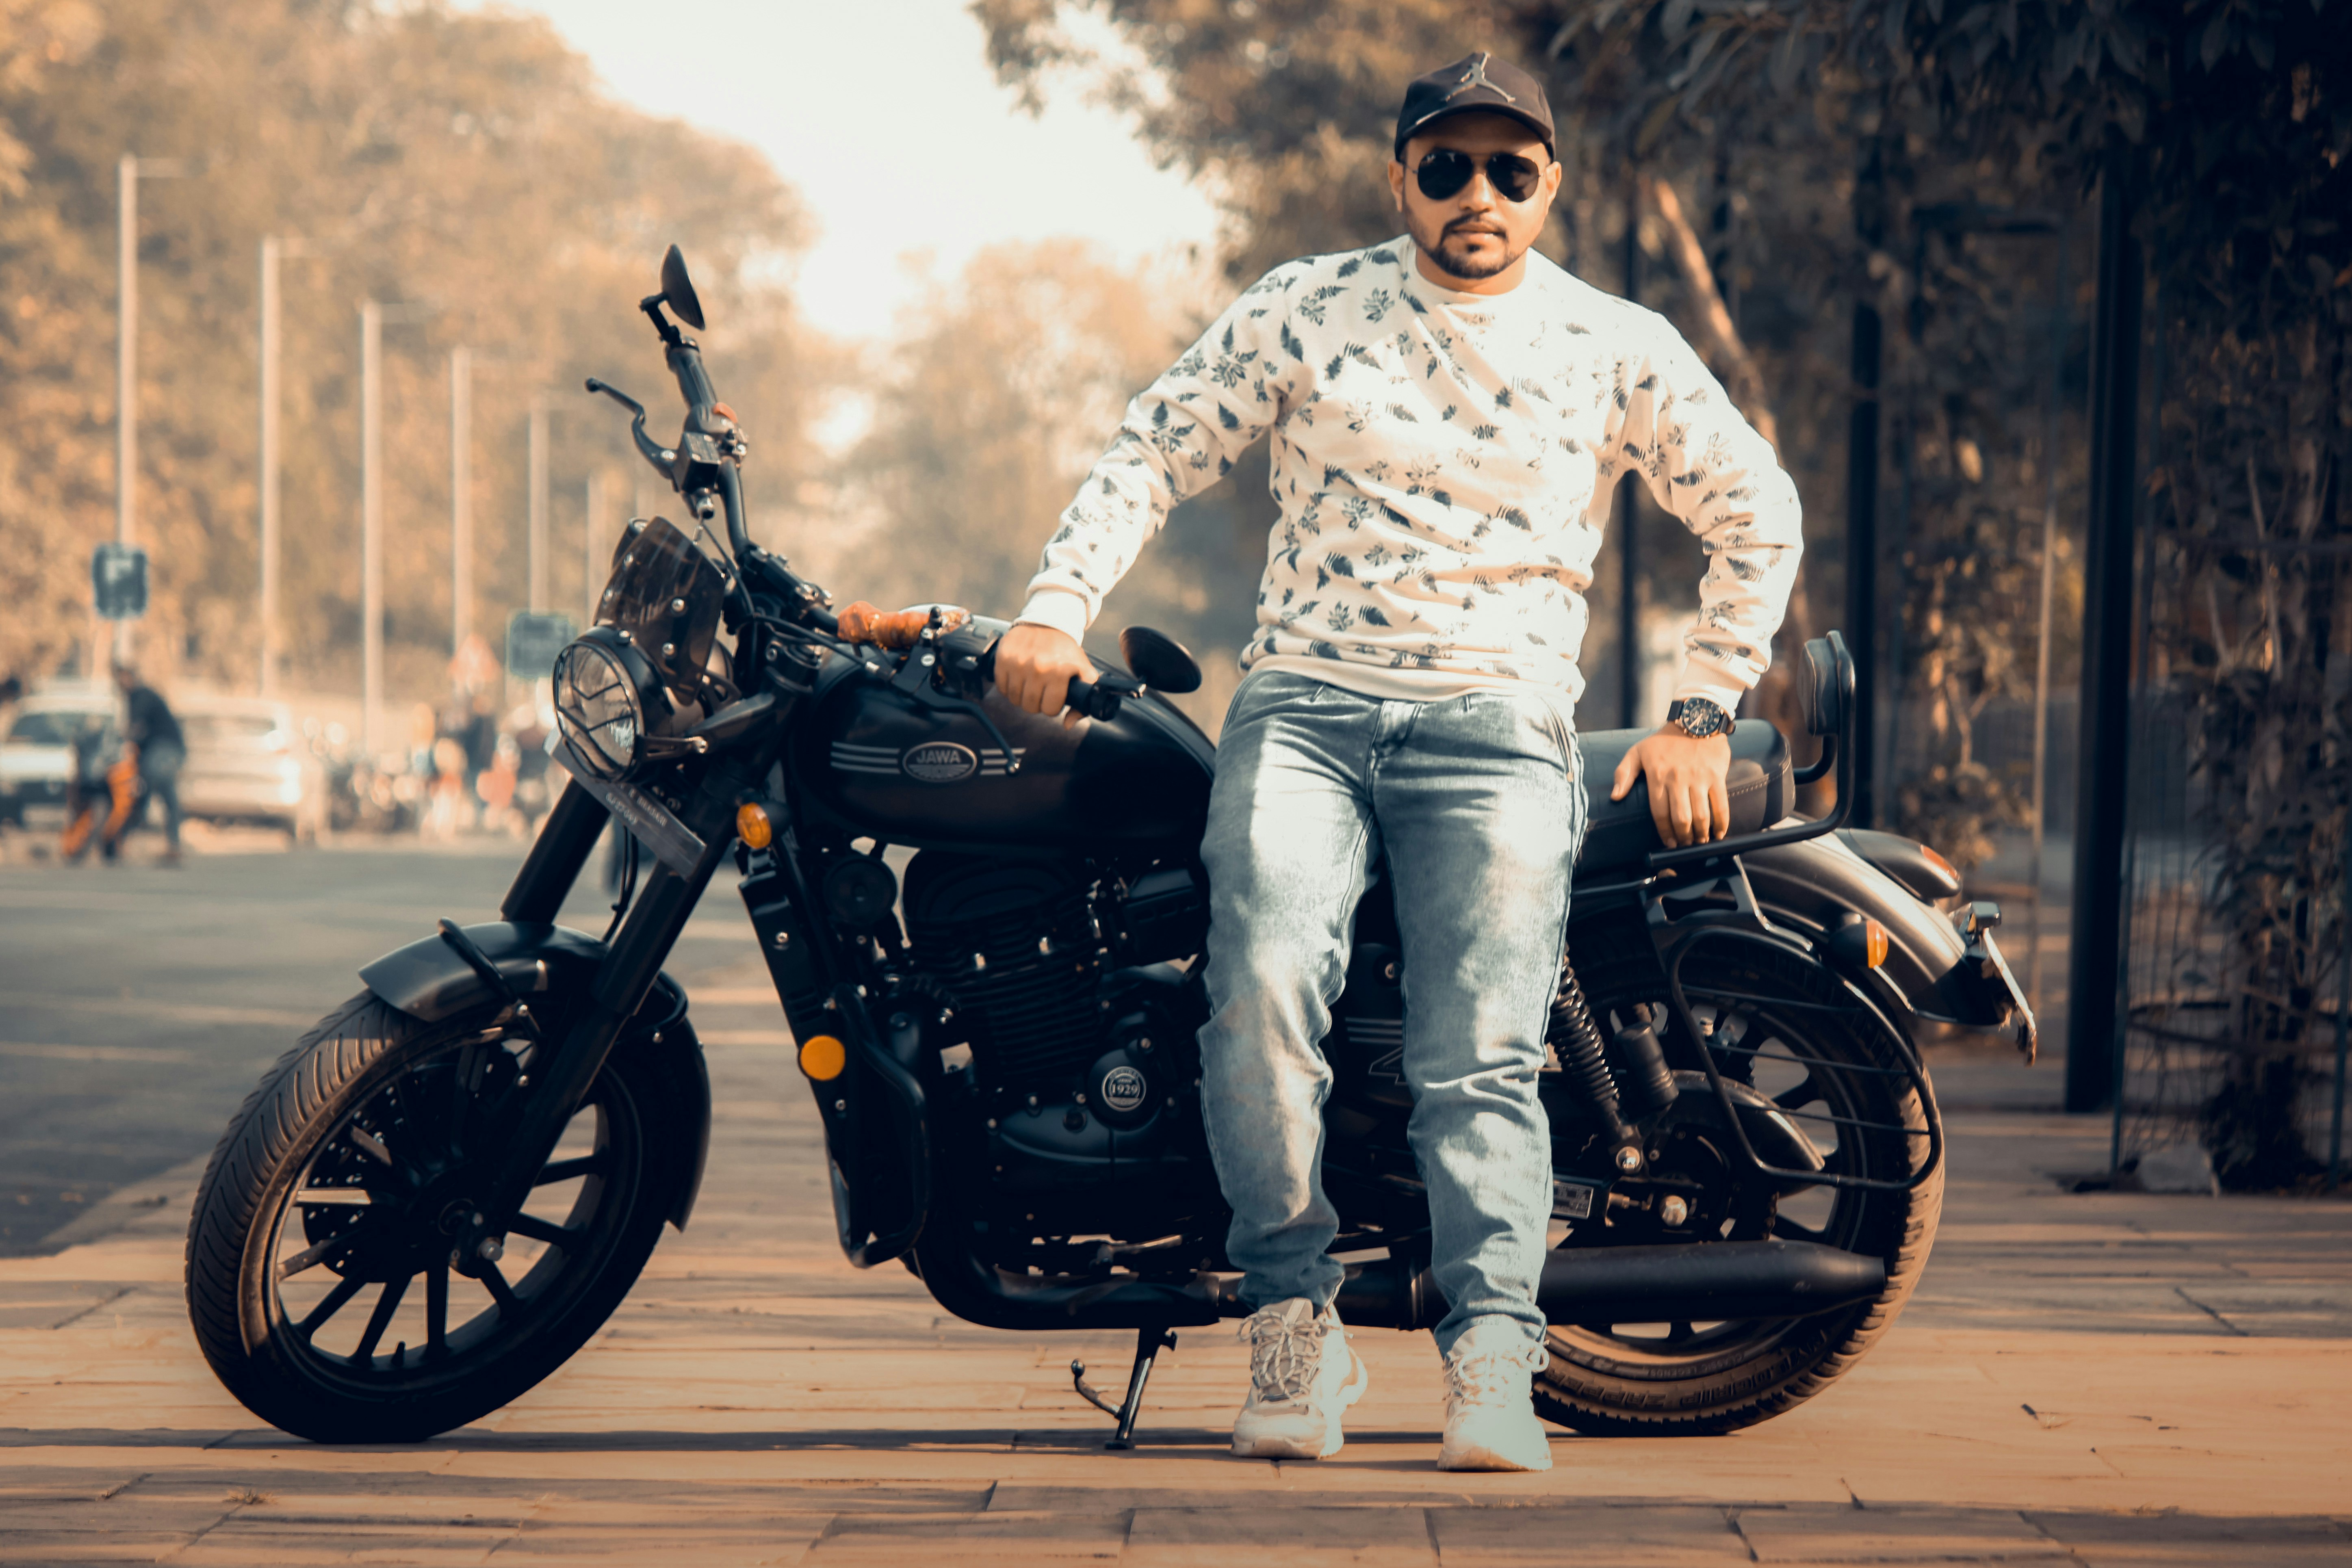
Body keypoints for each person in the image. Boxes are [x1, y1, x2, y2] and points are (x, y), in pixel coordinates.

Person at [993, 52, 1802, 1472]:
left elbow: (1753, 509)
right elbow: (1152, 448)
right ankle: (1290, 1330)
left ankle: (1491, 1357)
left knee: (1477, 1052)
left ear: (1548, 184)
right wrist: (1054, 603)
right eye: (1444, 166)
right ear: (1398, 179)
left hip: (1495, 727)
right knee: (1249, 999)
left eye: (1506, 167)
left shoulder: (1611, 342)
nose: (1474, 193)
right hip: (1303, 711)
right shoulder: (1305, 306)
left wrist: (1699, 707)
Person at [115, 663, 184, 864]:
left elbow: (134, 728)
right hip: (155, 752)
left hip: (165, 749)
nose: (120, 684)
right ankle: (123, 842)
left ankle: (173, 845)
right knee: (144, 794)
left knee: (161, 790)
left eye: (123, 678)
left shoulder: (141, 696)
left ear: (131, 677)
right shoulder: (132, 698)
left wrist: (122, 741)